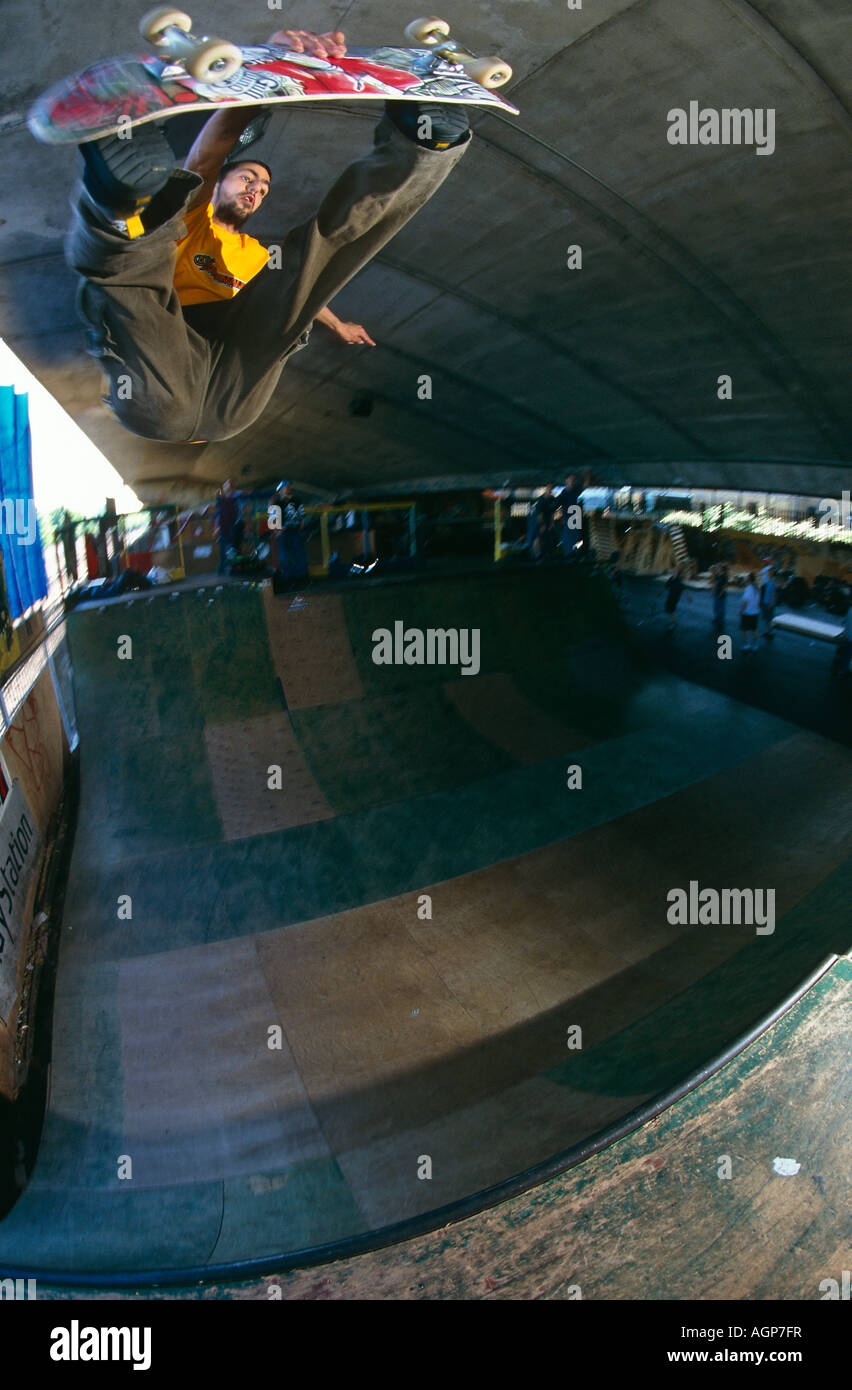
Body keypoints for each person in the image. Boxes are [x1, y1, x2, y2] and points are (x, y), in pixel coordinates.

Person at [64, 27, 470, 445]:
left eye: (263, 189)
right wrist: (262, 84)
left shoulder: (258, 254)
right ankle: (117, 203)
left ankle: (422, 147)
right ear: (223, 184)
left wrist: (338, 324)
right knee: (136, 273)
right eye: (247, 178)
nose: (256, 190)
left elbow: (305, 293)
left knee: (313, 255)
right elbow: (208, 158)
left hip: (235, 391)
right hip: (164, 376)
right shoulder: (197, 219)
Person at [270, 480, 309, 583]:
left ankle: (301, 576)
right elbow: (272, 520)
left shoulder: (296, 500)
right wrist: (277, 530)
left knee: (299, 554)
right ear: (280, 490)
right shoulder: (277, 503)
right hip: (284, 532)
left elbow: (302, 514)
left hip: (295, 531)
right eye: (285, 487)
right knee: (285, 556)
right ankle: (289, 577)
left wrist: (301, 525)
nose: (287, 488)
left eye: (288, 486)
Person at [214, 478, 241, 574]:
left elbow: (237, 513)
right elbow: (218, 514)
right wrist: (216, 527)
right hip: (224, 528)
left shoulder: (235, 498)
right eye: (227, 484)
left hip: (233, 527)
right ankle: (224, 567)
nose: (229, 486)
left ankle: (233, 567)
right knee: (225, 548)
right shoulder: (222, 500)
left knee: (233, 547)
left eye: (230, 484)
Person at [530, 485, 559, 562]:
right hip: (539, 522)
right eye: (549, 488)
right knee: (537, 538)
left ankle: (549, 555)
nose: (550, 490)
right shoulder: (541, 500)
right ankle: (537, 556)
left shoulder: (552, 499)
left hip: (548, 522)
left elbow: (553, 513)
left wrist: (551, 524)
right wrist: (542, 525)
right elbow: (540, 515)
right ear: (546, 489)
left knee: (549, 538)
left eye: (551, 488)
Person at [560, 472, 584, 560]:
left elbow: (585, 487)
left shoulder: (576, 489)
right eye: (571, 479)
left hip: (575, 517)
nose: (572, 481)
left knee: (576, 537)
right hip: (569, 518)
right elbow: (562, 506)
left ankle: (574, 554)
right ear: (567, 481)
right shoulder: (564, 492)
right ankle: (569, 555)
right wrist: (563, 517)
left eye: (573, 479)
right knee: (569, 537)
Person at [663, 564, 690, 633]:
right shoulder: (671, 578)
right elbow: (666, 586)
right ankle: (673, 621)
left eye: (675, 571)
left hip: (675, 598)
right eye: (673, 570)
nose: (673, 571)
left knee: (672, 610)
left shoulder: (679, 580)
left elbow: (684, 589)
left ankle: (672, 624)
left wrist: (688, 597)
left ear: (678, 573)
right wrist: (661, 592)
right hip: (670, 596)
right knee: (669, 609)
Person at [740, 572, 762, 652]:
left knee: (745, 629)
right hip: (755, 612)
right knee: (754, 629)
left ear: (749, 579)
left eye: (747, 577)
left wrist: (741, 611)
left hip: (748, 612)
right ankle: (755, 645)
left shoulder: (748, 589)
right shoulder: (757, 588)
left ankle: (747, 645)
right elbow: (759, 602)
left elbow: (746, 602)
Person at [760, 564, 777, 640]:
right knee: (766, 618)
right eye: (767, 572)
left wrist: (771, 603)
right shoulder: (767, 582)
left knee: (769, 619)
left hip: (769, 603)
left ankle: (771, 632)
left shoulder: (773, 582)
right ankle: (768, 631)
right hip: (765, 602)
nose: (767, 573)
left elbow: (773, 594)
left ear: (772, 573)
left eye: (769, 572)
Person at [711, 563, 727, 638]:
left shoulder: (724, 577)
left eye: (718, 568)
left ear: (721, 569)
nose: (717, 569)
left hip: (721, 595)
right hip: (716, 594)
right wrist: (712, 591)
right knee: (715, 607)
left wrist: (720, 594)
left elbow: (724, 587)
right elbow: (715, 584)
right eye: (717, 568)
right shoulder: (717, 575)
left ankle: (721, 621)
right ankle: (716, 618)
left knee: (721, 609)